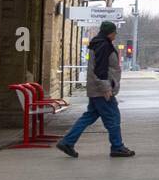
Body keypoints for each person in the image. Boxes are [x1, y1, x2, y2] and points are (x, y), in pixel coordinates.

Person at [56, 21, 134, 158]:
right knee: (113, 118)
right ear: (109, 33)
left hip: (96, 88)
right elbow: (100, 69)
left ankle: (67, 142)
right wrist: (106, 88)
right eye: (114, 32)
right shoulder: (104, 46)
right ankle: (117, 146)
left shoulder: (98, 44)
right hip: (102, 90)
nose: (115, 34)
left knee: (88, 117)